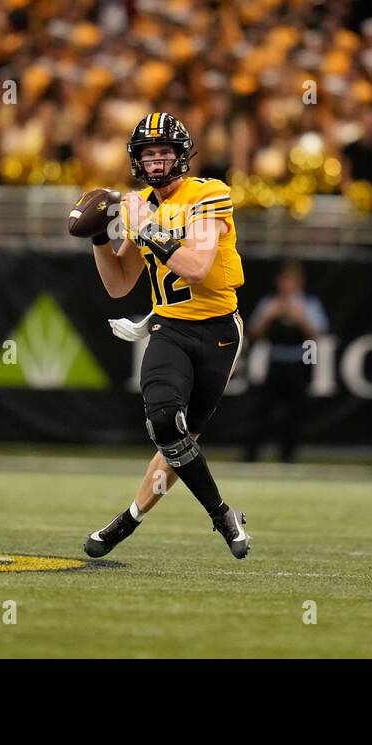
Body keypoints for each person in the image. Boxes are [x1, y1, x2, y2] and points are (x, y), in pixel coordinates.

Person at [81, 112, 251, 559]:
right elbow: (119, 284)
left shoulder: (209, 193)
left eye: (163, 152)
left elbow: (196, 267)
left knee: (184, 438)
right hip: (169, 328)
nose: (155, 161)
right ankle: (220, 515)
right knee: (163, 424)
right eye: (147, 154)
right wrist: (100, 238)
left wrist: (146, 228)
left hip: (217, 332)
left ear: (181, 156)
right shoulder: (140, 206)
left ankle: (128, 519)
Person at [243, 261, 327, 463]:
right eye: (284, 280)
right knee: (263, 411)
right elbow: (253, 333)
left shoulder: (309, 303)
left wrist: (301, 318)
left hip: (299, 362)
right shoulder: (270, 302)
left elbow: (319, 334)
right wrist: (269, 316)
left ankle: (288, 455)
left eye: (292, 281)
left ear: (300, 283)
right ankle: (252, 454)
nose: (287, 285)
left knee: (295, 413)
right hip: (275, 361)